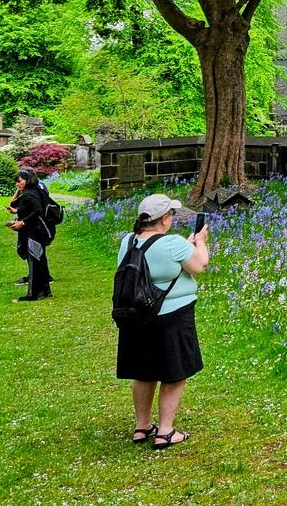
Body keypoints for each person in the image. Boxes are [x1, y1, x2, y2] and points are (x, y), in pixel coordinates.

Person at [116, 193, 209, 450]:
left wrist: (185, 246)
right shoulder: (173, 243)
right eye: (171, 214)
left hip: (136, 315)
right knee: (174, 371)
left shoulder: (128, 242)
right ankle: (166, 431)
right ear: (165, 219)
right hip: (172, 315)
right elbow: (199, 265)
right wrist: (200, 242)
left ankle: (142, 425)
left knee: (143, 372)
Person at [6, 168, 53, 301]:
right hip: (37, 231)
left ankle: (34, 294)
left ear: (27, 180)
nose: (17, 184)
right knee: (40, 260)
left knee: (34, 261)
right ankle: (45, 291)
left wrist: (23, 223)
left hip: (33, 232)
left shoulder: (29, 194)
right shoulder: (34, 191)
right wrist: (19, 191)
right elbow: (14, 203)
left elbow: (37, 210)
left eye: (19, 181)